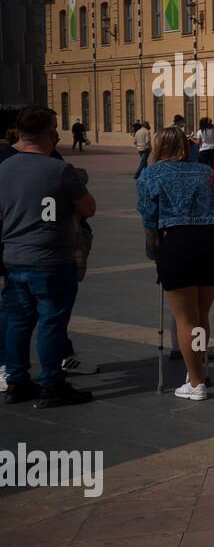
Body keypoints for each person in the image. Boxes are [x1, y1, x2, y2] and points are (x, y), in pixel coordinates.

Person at [0, 106, 96, 407]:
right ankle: (52, 384)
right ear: (47, 133)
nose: (57, 133)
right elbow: (88, 208)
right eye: (55, 128)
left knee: (17, 322)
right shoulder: (59, 170)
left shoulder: (4, 168)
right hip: (52, 258)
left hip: (14, 256)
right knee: (51, 322)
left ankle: (16, 381)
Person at [137, 126, 214, 401]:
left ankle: (196, 382)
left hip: (178, 244)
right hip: (212, 244)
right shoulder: (206, 171)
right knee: (201, 317)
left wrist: (153, 248)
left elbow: (148, 218)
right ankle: (195, 369)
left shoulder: (151, 174)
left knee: (185, 319)